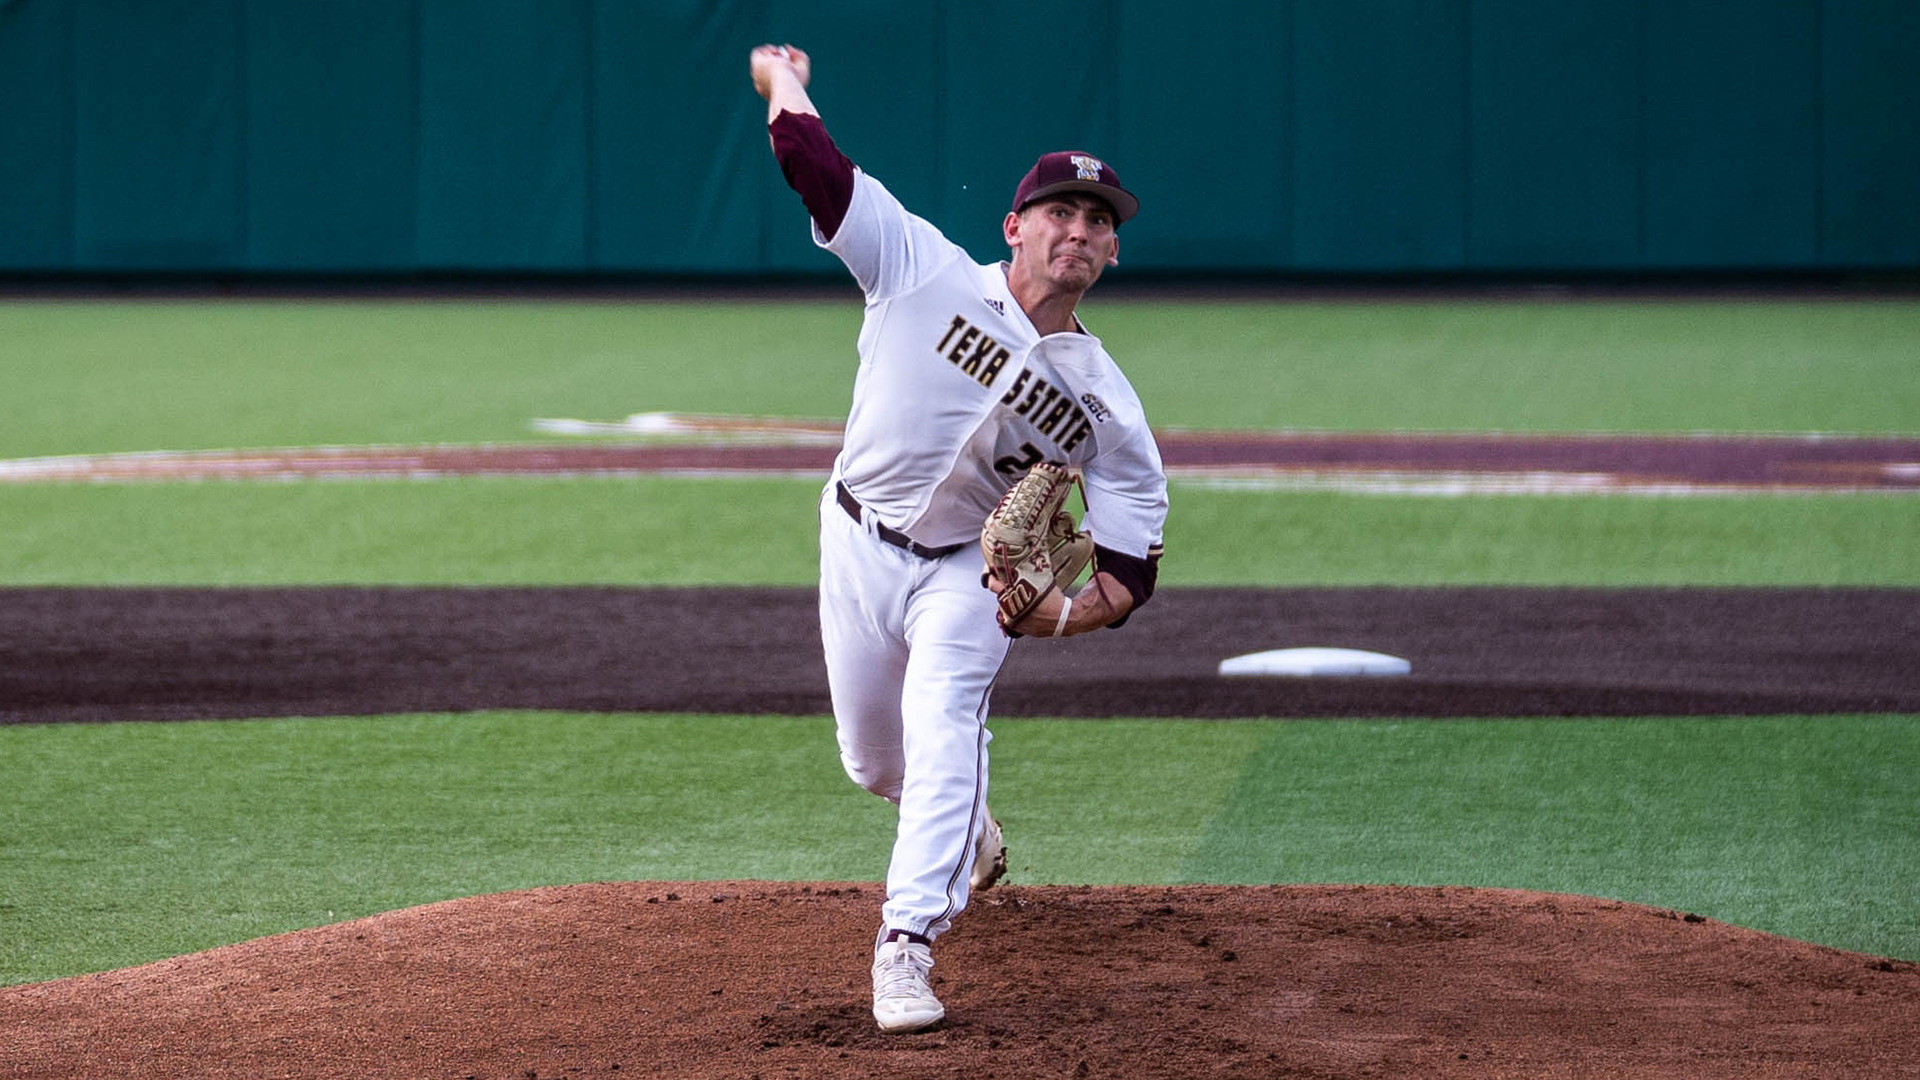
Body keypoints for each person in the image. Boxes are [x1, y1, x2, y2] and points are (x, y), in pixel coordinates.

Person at [748, 43, 1168, 1034]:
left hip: (967, 582)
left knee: (944, 734)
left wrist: (1059, 617)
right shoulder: (918, 267)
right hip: (855, 540)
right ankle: (965, 832)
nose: (1079, 229)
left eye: (1098, 221)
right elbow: (816, 167)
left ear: (1111, 255)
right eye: (1060, 211)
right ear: (1013, 227)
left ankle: (907, 946)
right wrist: (783, 79)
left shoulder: (1107, 405)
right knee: (874, 763)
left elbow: (1129, 568)